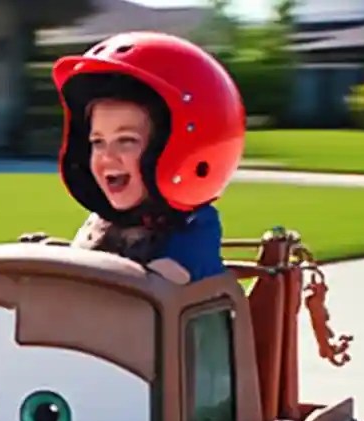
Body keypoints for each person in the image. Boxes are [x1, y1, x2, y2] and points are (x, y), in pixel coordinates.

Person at [20, 32, 246, 285]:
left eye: (126, 141)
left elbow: (163, 281)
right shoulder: (102, 223)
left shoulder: (193, 226)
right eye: (97, 142)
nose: (107, 156)